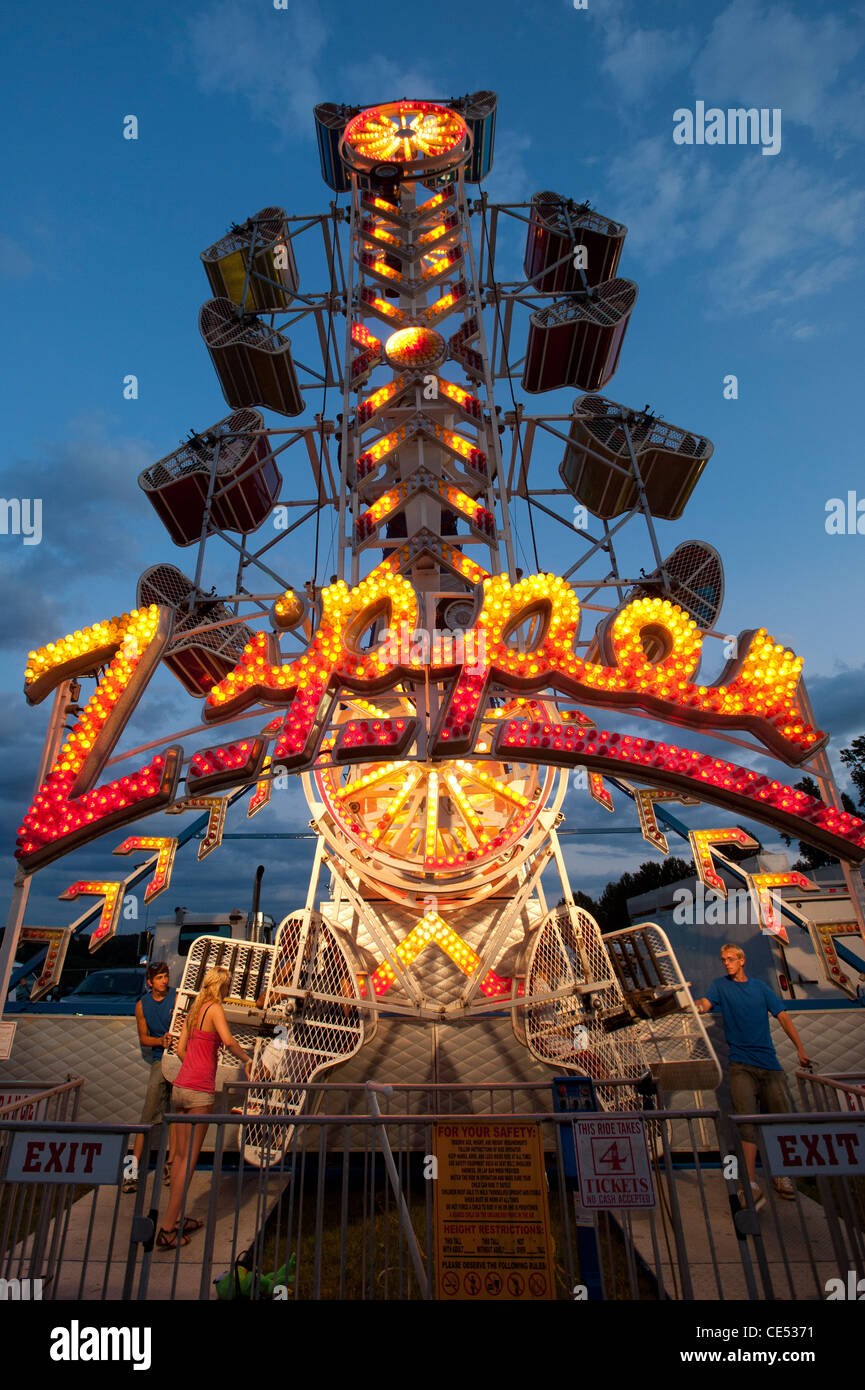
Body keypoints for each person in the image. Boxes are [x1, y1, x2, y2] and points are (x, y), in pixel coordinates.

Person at [695, 943, 810, 1209]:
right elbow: (705, 1002)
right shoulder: (720, 986)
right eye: (723, 959)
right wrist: (694, 1005)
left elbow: (782, 1017)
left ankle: (782, 1176)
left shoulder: (760, 988)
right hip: (741, 1066)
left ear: (742, 961)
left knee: (778, 1120)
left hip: (769, 1064)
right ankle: (750, 1181)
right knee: (746, 1123)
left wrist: (800, 1048)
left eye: (731, 959)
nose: (726, 963)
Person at [158, 966, 252, 1250]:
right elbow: (229, 1041)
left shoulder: (194, 1009)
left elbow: (180, 1050)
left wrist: (198, 1059)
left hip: (180, 1086)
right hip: (200, 1091)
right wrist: (247, 1061)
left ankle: (175, 1219)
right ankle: (167, 1229)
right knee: (188, 1161)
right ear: (222, 986)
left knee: (178, 1159)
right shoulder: (215, 1009)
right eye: (228, 986)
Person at [124, 961, 176, 1195]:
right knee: (146, 1117)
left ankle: (170, 1167)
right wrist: (161, 1041)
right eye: (159, 978)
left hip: (179, 1059)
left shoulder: (177, 997)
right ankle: (130, 1173)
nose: (164, 981)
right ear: (150, 982)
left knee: (176, 1117)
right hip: (159, 1060)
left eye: (166, 976)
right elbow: (144, 1038)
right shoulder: (142, 1005)